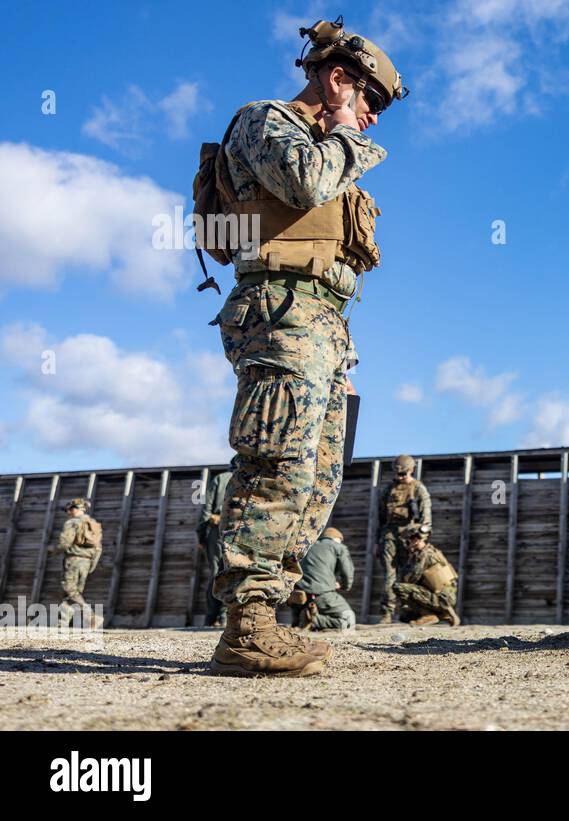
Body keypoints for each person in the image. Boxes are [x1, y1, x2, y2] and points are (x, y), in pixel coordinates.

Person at [206, 17, 406, 677]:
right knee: (277, 464)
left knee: (318, 478)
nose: (373, 118)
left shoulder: (331, 147)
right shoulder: (265, 122)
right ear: (339, 78)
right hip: (278, 312)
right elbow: (301, 182)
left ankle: (274, 614)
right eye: (370, 100)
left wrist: (340, 356)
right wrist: (345, 127)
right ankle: (246, 627)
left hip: (322, 325)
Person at [377, 454, 431, 624]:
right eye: (397, 474)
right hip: (389, 536)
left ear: (412, 470)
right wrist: (376, 542)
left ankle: (408, 613)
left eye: (403, 474)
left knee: (409, 576)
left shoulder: (419, 488)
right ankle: (387, 614)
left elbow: (426, 518)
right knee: (389, 575)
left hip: (411, 537)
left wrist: (421, 538)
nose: (400, 477)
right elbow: (381, 517)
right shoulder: (388, 489)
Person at [290, 527, 356, 630]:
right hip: (322, 593)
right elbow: (347, 572)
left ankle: (300, 618)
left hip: (299, 594)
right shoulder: (338, 547)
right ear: (337, 539)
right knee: (348, 619)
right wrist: (345, 585)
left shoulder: (308, 546)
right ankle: (313, 620)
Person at [393, 525, 461, 626]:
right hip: (445, 597)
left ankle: (429, 615)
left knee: (399, 587)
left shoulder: (424, 555)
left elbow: (411, 579)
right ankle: (444, 614)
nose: (408, 543)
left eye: (409, 541)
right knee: (405, 617)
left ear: (416, 540)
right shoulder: (433, 551)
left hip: (441, 598)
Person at [51, 499, 102, 629]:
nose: (68, 512)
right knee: (73, 593)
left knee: (69, 590)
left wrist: (52, 550)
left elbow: (65, 543)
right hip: (87, 561)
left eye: (70, 509)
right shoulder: (93, 524)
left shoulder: (72, 523)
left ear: (75, 508)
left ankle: (91, 617)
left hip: (73, 560)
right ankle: (61, 624)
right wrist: (92, 564)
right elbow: (98, 547)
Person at [194, 466, 233, 627]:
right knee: (234, 573)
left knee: (217, 574)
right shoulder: (250, 475)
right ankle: (225, 617)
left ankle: (212, 617)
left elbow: (206, 509)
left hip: (217, 531)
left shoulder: (221, 478)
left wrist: (201, 536)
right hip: (240, 531)